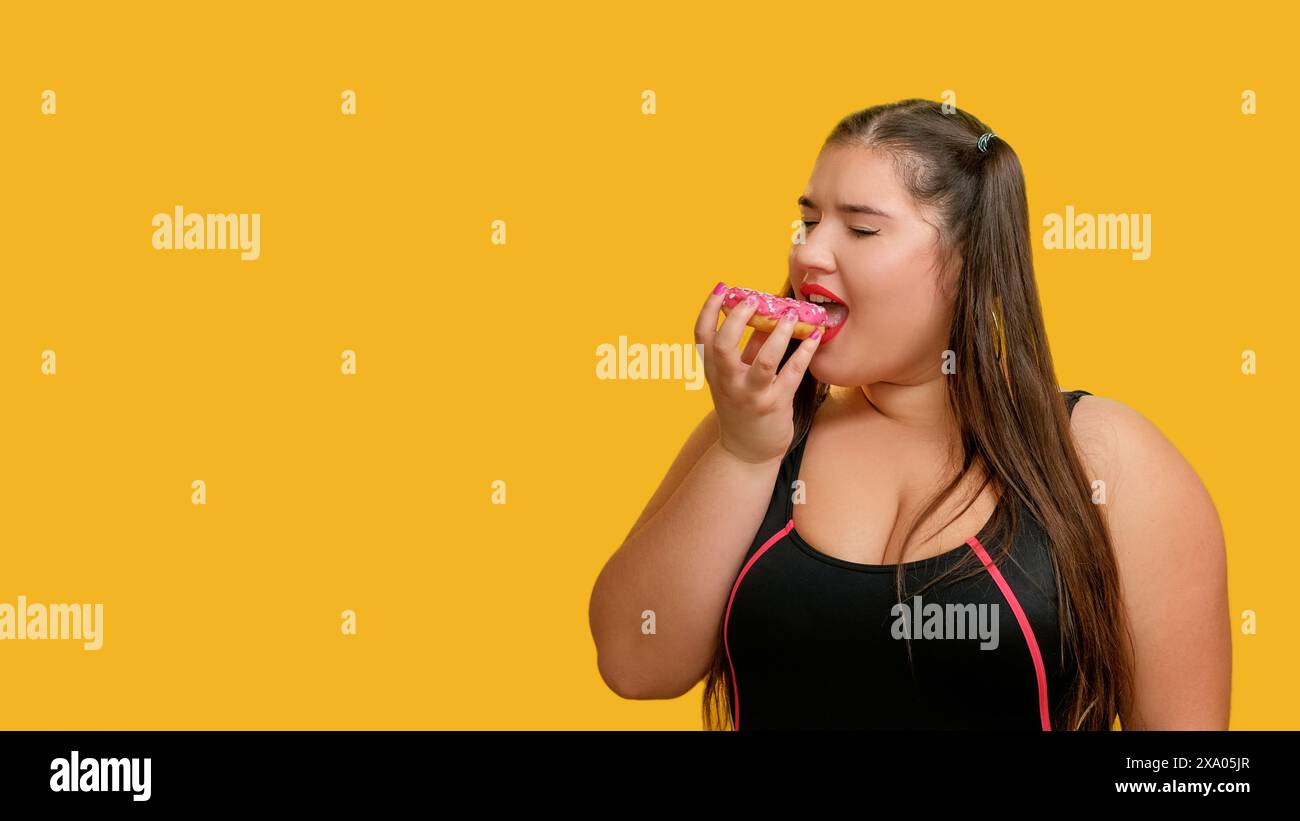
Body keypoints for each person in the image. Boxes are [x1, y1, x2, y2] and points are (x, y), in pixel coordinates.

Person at [587, 99, 1230, 730]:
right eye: (809, 222)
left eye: (861, 228)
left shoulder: (1107, 459)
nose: (809, 253)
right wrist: (743, 452)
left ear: (967, 260)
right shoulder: (759, 432)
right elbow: (635, 665)